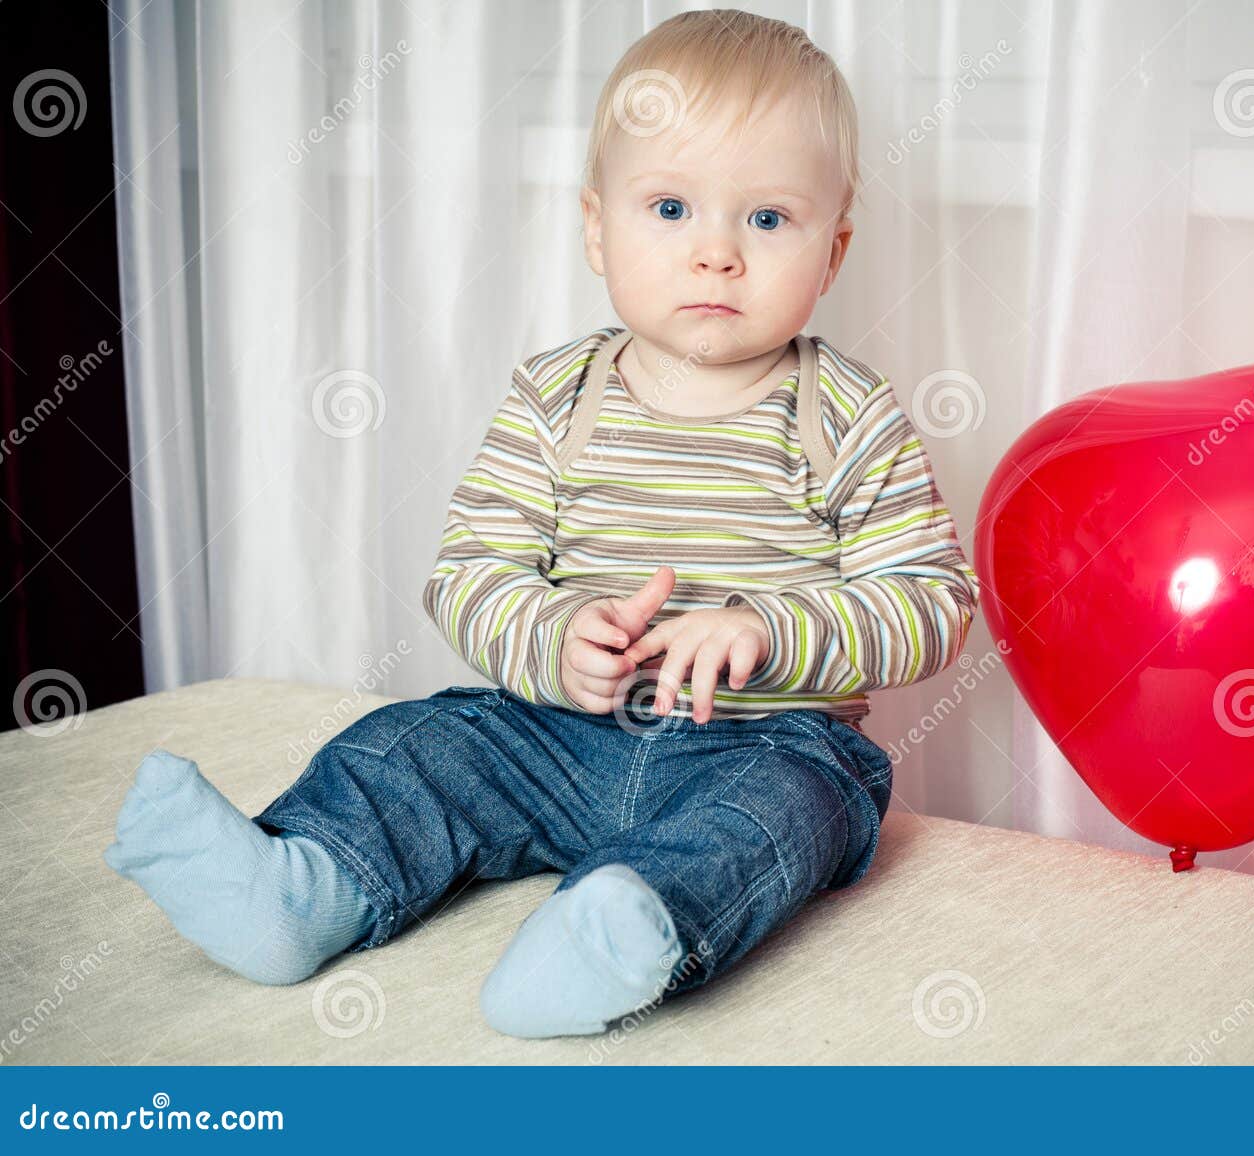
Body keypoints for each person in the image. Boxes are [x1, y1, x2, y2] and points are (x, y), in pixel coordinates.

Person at [104, 8, 979, 1040]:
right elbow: (470, 570)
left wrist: (770, 626)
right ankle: (304, 887)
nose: (715, 255)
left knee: (803, 809)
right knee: (424, 737)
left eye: (767, 219)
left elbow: (934, 603)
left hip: (760, 741)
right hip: (556, 735)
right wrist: (554, 639)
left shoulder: (848, 412)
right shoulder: (556, 397)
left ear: (831, 251)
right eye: (669, 206)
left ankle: (624, 923)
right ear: (596, 227)